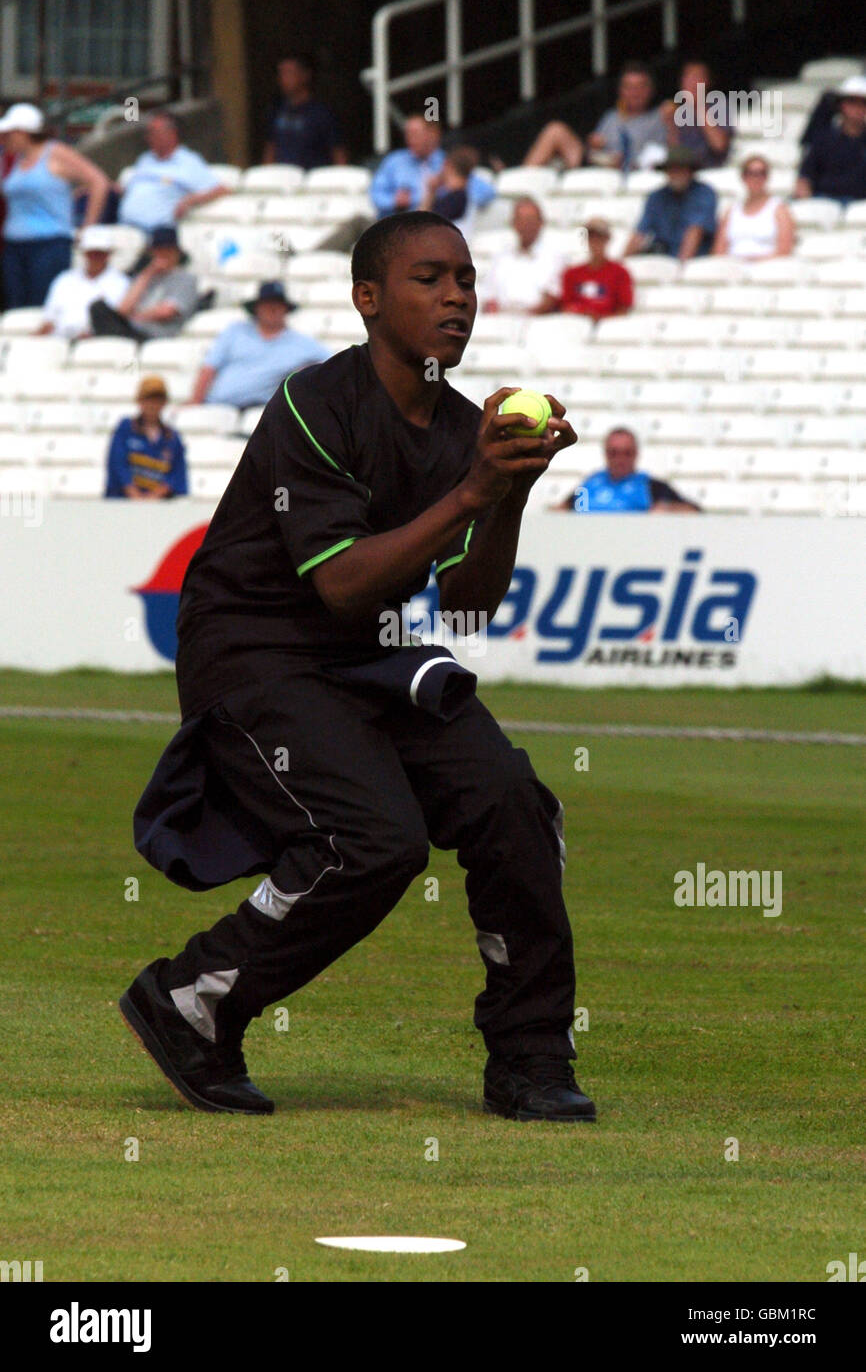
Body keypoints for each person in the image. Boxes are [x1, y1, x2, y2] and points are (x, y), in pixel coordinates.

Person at [121, 209, 596, 1126]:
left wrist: (509, 497)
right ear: (367, 298)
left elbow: (466, 606)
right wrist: (473, 490)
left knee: (511, 800)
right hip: (253, 653)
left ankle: (531, 1054)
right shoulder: (314, 400)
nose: (456, 296)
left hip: (366, 658)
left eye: (465, 278)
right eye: (430, 278)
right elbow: (340, 584)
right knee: (374, 840)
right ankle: (192, 1000)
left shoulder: (464, 429)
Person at [0, 102, 110, 308]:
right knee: (14, 308)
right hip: (14, 248)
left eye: (10, 134)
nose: (5, 139)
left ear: (24, 133)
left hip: (49, 246)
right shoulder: (12, 160)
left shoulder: (56, 153)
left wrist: (88, 227)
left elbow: (98, 181)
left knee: (42, 307)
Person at [190, 280, 329, 409]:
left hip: (259, 409)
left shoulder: (302, 343)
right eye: (267, 305)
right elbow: (209, 368)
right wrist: (195, 402)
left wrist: (304, 373)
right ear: (257, 308)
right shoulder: (235, 331)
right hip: (217, 404)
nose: (272, 310)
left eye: (277, 305)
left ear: (286, 310)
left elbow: (331, 363)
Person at [523, 62, 667, 172]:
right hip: (597, 167)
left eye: (640, 87)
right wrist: (592, 145)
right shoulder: (611, 116)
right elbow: (593, 152)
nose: (634, 93)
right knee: (555, 130)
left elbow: (657, 159)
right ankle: (521, 182)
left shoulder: (658, 118)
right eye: (628, 87)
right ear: (621, 91)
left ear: (650, 90)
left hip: (628, 171)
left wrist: (626, 161)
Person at [117, 111, 230, 233]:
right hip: (124, 227)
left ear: (171, 134)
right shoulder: (145, 159)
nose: (148, 137)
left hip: (156, 233)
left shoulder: (188, 161)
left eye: (153, 133)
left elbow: (221, 189)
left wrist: (189, 200)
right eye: (148, 133)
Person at [369, 114, 496, 218]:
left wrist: (452, 193)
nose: (409, 139)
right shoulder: (394, 161)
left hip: (435, 225)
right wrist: (394, 201)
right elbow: (375, 195)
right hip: (396, 225)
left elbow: (486, 192)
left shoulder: (448, 163)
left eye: (415, 134)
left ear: (433, 135)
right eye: (407, 134)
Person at [90, 225, 198, 341]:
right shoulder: (145, 277)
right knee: (98, 308)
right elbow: (123, 309)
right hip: (130, 328)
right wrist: (148, 274)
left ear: (177, 252)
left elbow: (167, 312)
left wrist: (135, 317)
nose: (163, 254)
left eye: (168, 249)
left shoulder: (185, 279)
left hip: (154, 333)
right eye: (158, 250)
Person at [556, 427, 700, 512]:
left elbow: (694, 511)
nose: (620, 459)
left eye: (627, 453)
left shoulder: (651, 487)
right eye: (614, 453)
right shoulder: (590, 486)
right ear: (606, 454)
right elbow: (564, 511)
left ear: (636, 454)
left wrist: (667, 509)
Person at [36, 225, 129, 338]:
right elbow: (49, 320)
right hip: (59, 340)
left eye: (100, 253)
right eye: (91, 252)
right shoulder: (65, 279)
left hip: (98, 342)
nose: (95, 257)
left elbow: (114, 321)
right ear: (84, 253)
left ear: (108, 254)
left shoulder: (121, 282)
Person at [624, 146, 717, 260]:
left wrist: (681, 267)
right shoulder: (656, 197)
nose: (676, 174)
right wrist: (621, 264)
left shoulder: (704, 193)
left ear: (690, 171)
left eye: (681, 169)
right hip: (661, 256)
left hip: (694, 260)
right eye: (672, 170)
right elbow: (640, 233)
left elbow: (695, 232)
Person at [105, 375, 187, 499]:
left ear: (164, 402)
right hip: (122, 505)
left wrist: (153, 498)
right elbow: (118, 466)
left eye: (158, 399)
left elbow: (176, 477)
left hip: (158, 509)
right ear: (139, 401)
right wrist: (135, 496)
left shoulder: (172, 438)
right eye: (148, 399)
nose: (153, 405)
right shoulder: (125, 429)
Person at [480, 198, 566, 314]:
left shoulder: (555, 257)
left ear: (541, 223)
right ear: (513, 224)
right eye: (521, 220)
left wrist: (524, 319)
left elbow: (552, 299)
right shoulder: (501, 257)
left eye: (530, 220)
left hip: (538, 323)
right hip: (501, 319)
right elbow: (488, 296)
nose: (525, 226)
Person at [262, 53, 346, 168]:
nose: (283, 78)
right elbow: (271, 147)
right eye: (281, 73)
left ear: (305, 75)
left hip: (313, 180)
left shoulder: (322, 113)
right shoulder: (276, 110)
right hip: (282, 179)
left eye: (289, 73)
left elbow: (337, 151)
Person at [538, 218, 633, 319]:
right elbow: (566, 306)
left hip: (608, 328)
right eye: (591, 237)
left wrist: (600, 318)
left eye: (599, 237)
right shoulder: (571, 273)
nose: (595, 242)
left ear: (607, 239)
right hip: (577, 326)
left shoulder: (620, 273)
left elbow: (623, 309)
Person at [795, 75, 866, 203]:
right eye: (852, 102)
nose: (857, 108)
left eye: (863, 103)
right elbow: (805, 178)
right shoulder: (823, 138)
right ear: (842, 105)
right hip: (823, 202)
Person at [712, 156, 795, 259]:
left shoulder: (779, 209)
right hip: (732, 267)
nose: (756, 178)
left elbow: (784, 251)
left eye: (761, 173)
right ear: (743, 177)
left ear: (767, 177)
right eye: (751, 173)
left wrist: (752, 260)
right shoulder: (731, 211)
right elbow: (719, 250)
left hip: (769, 267)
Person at [660, 60, 733, 169]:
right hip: (683, 172)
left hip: (711, 170)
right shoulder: (675, 110)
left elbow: (719, 145)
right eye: (688, 77)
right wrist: (671, 125)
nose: (692, 82)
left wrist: (698, 105)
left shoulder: (719, 105)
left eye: (697, 77)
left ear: (707, 82)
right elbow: (674, 153)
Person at [419, 145, 479, 239]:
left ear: (447, 165)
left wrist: (430, 192)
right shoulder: (457, 195)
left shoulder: (456, 198)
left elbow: (420, 225)